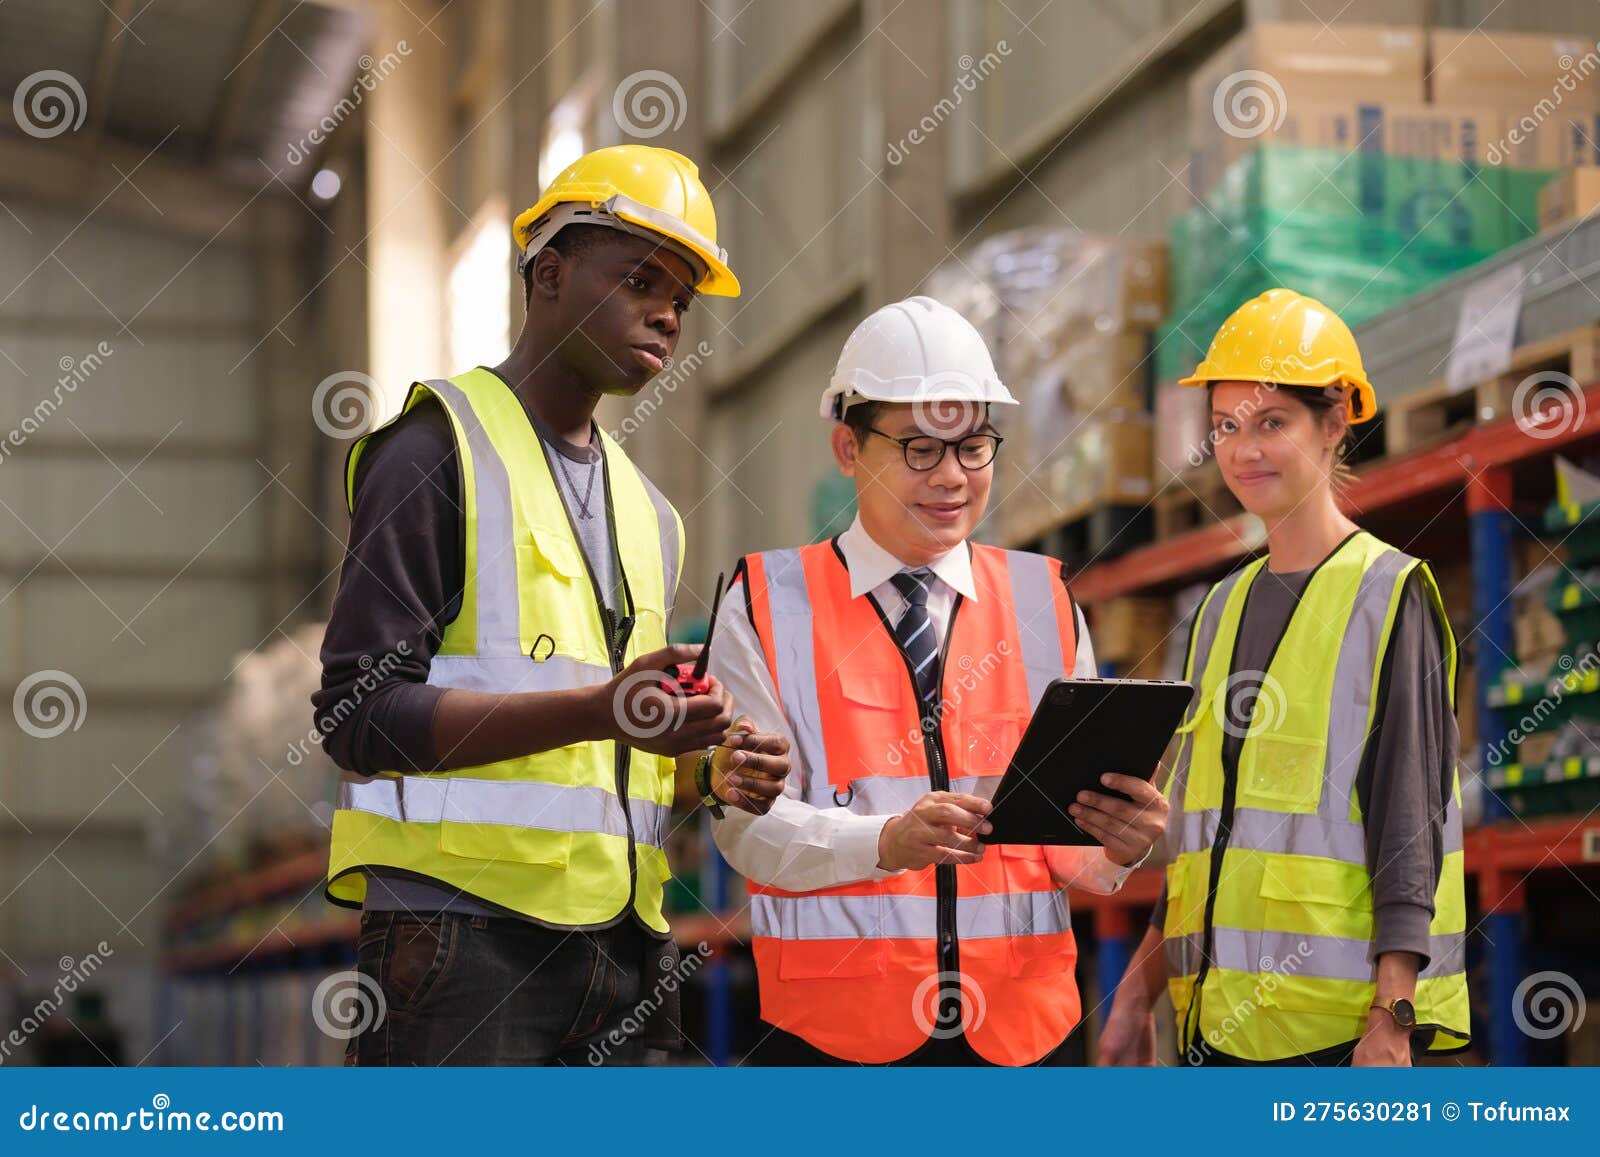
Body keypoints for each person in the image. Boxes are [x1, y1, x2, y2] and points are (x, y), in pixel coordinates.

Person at [313, 145, 791, 1065]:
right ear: (551, 273)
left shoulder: (650, 514)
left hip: (625, 950)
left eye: (682, 299)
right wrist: (601, 708)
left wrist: (705, 774)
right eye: (641, 278)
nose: (665, 311)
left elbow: (611, 773)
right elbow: (355, 716)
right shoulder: (432, 451)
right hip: (460, 949)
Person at [697, 296, 1169, 1066]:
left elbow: (1063, 846)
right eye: (920, 448)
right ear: (848, 447)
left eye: (974, 445)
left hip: (1023, 1036)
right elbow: (744, 826)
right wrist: (885, 840)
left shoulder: (1044, 601)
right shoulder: (763, 606)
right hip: (835, 1040)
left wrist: (1118, 846)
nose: (952, 477)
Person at [1098, 288, 1471, 1067]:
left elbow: (1412, 817)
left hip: (1337, 1036)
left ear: (1335, 424)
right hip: (1214, 1026)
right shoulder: (1220, 607)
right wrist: (1137, 991)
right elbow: (1206, 837)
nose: (1244, 450)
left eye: (1272, 423)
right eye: (1226, 427)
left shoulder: (1386, 592)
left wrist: (1392, 1017)